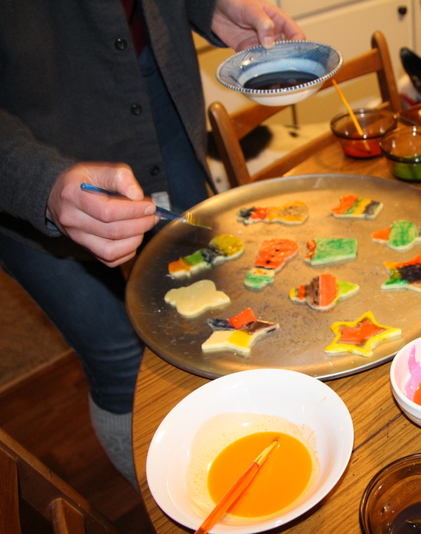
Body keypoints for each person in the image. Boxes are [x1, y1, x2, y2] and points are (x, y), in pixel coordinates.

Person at [0, 0, 304, 486]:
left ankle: (241, 454)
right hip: (28, 130)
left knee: (216, 320)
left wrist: (209, 6)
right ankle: (168, 496)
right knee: (121, 362)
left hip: (157, 81)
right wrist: (38, 183)